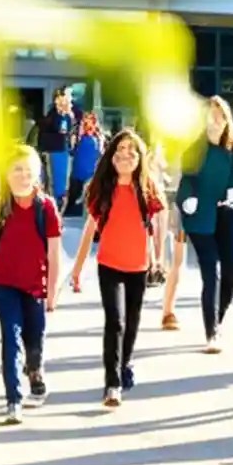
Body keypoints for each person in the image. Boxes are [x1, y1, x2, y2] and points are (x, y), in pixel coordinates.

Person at [69, 129, 166, 408]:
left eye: (131, 151)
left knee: (132, 323)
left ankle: (124, 365)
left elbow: (159, 223)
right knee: (116, 321)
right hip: (109, 265)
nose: (125, 155)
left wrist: (159, 258)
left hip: (138, 267)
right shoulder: (103, 189)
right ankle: (112, 383)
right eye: (120, 150)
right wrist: (77, 268)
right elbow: (90, 229)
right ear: (111, 156)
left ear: (140, 157)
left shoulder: (147, 188)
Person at [0, 145, 63, 425]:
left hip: (35, 286)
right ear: (6, 174)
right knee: (11, 337)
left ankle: (35, 371)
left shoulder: (45, 207)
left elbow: (54, 253)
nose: (23, 175)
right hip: (4, 283)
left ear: (37, 174)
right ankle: (14, 399)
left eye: (28, 170)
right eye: (17, 170)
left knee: (34, 338)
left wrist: (52, 292)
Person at [176, 96, 233, 353]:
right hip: (201, 218)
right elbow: (186, 182)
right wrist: (188, 200)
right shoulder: (194, 149)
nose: (215, 121)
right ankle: (211, 332)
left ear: (227, 119)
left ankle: (217, 320)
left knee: (229, 277)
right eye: (211, 116)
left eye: (220, 116)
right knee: (211, 273)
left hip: (229, 218)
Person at [36, 88, 77, 212]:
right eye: (66, 98)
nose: (69, 101)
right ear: (57, 100)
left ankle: (59, 207)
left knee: (63, 183)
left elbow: (69, 132)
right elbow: (60, 130)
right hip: (54, 151)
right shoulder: (53, 116)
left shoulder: (67, 116)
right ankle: (53, 207)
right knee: (55, 182)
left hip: (63, 151)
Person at [67, 112, 105, 217]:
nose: (88, 125)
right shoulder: (77, 135)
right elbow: (71, 149)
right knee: (73, 200)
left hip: (91, 174)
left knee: (89, 200)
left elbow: (101, 153)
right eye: (85, 122)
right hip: (77, 173)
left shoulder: (99, 137)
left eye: (91, 121)